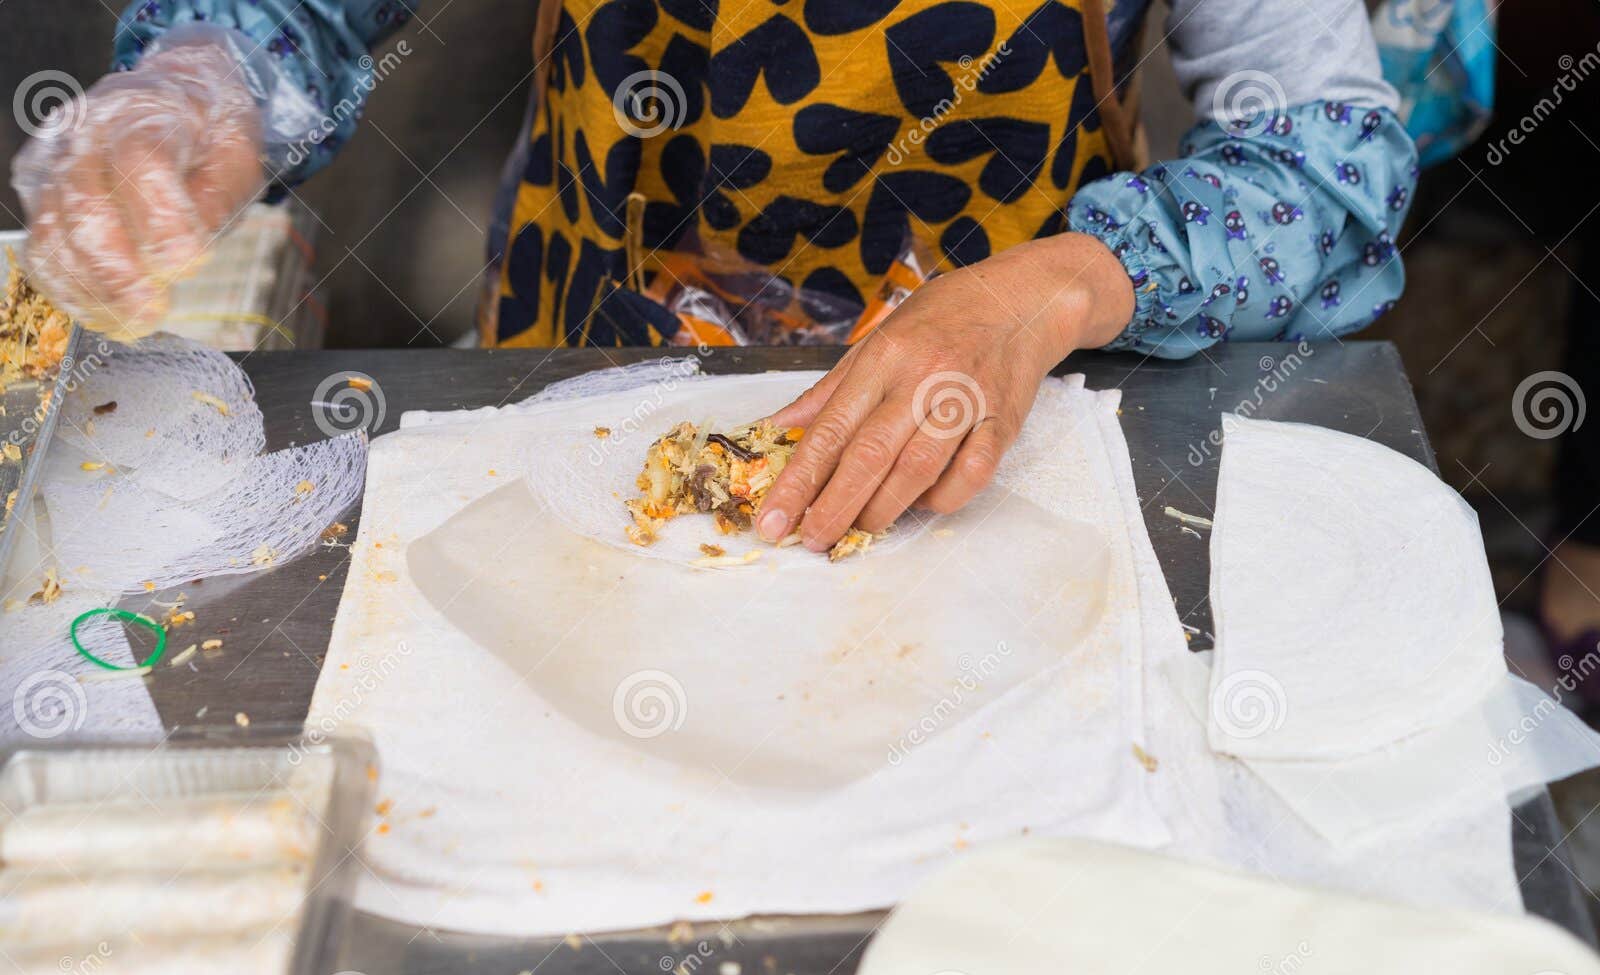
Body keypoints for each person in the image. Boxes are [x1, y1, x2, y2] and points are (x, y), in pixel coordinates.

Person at [13, 0, 1416, 551]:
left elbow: (1334, 171)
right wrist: (207, 89)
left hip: (1008, 449)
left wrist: (1056, 283)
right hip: (580, 395)